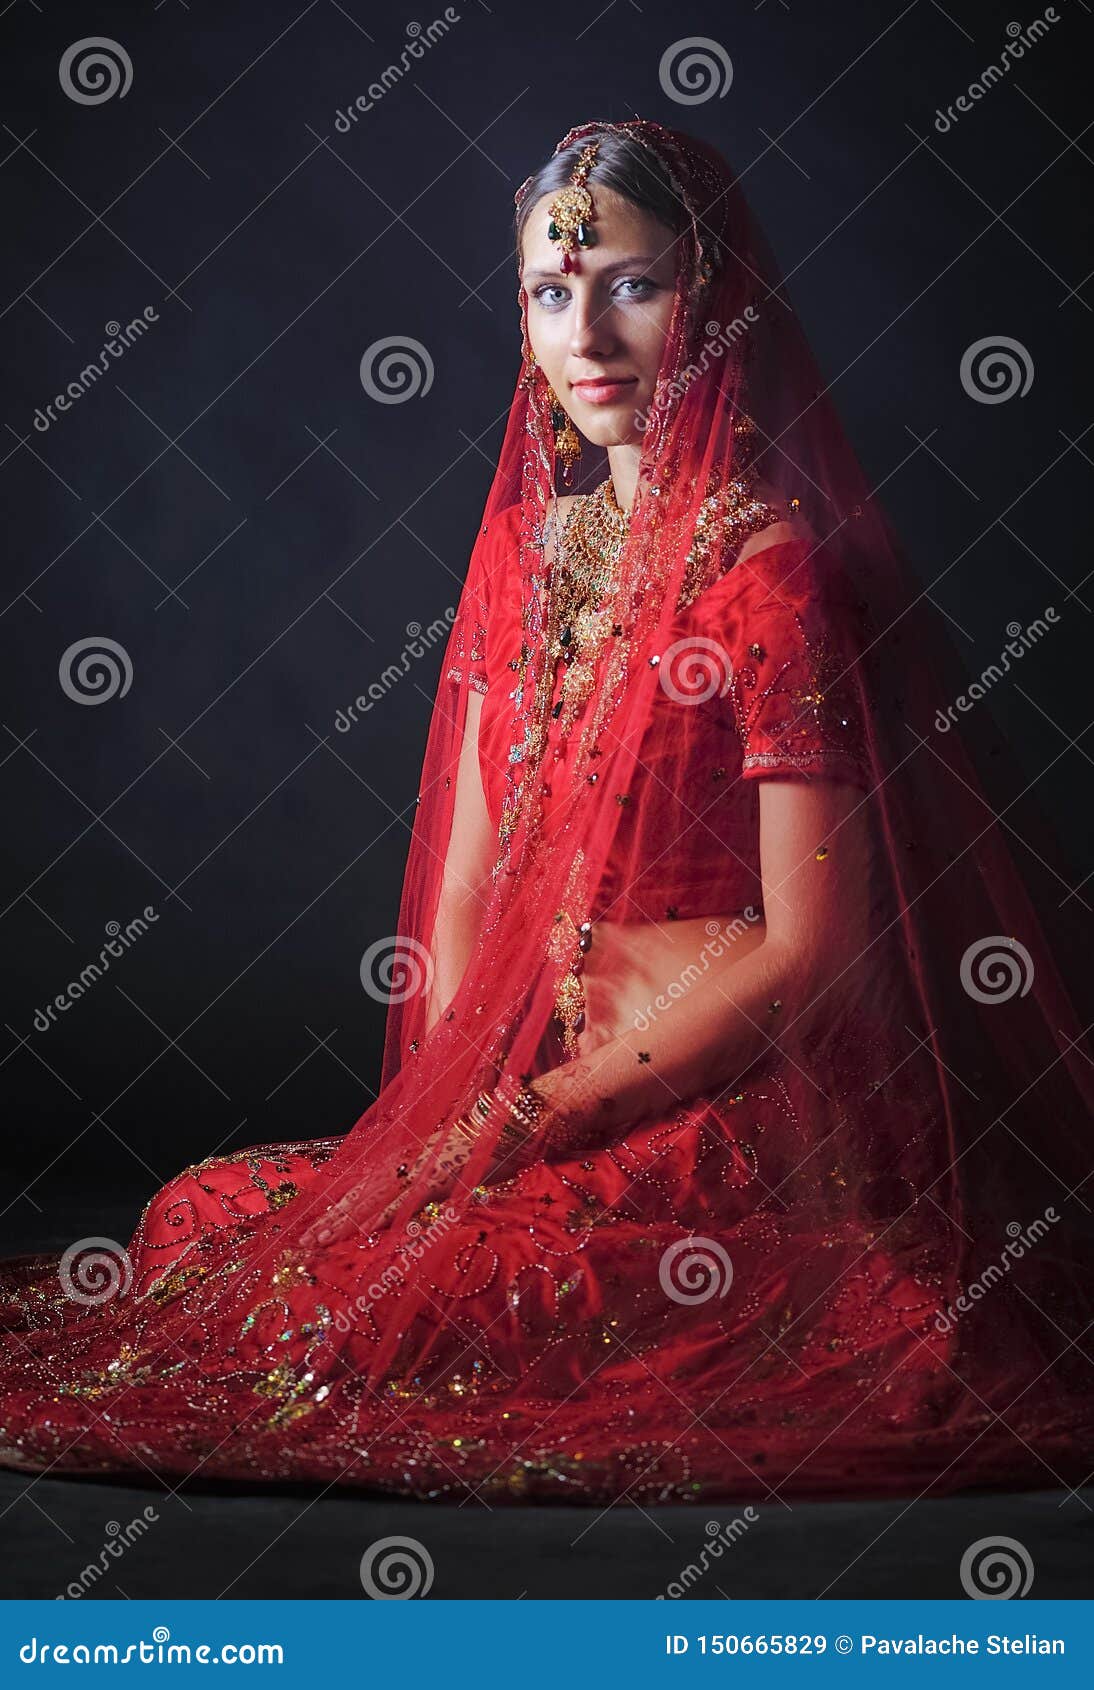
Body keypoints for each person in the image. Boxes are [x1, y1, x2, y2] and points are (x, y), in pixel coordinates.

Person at [1, 119, 1092, 1505]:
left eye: (632, 284)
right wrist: (459, 1114)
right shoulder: (526, 556)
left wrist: (524, 1129)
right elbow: (462, 889)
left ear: (714, 302)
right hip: (525, 1091)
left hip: (715, 1119)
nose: (589, 332)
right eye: (550, 291)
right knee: (193, 1219)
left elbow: (815, 953)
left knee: (357, 1314)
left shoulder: (768, 583)